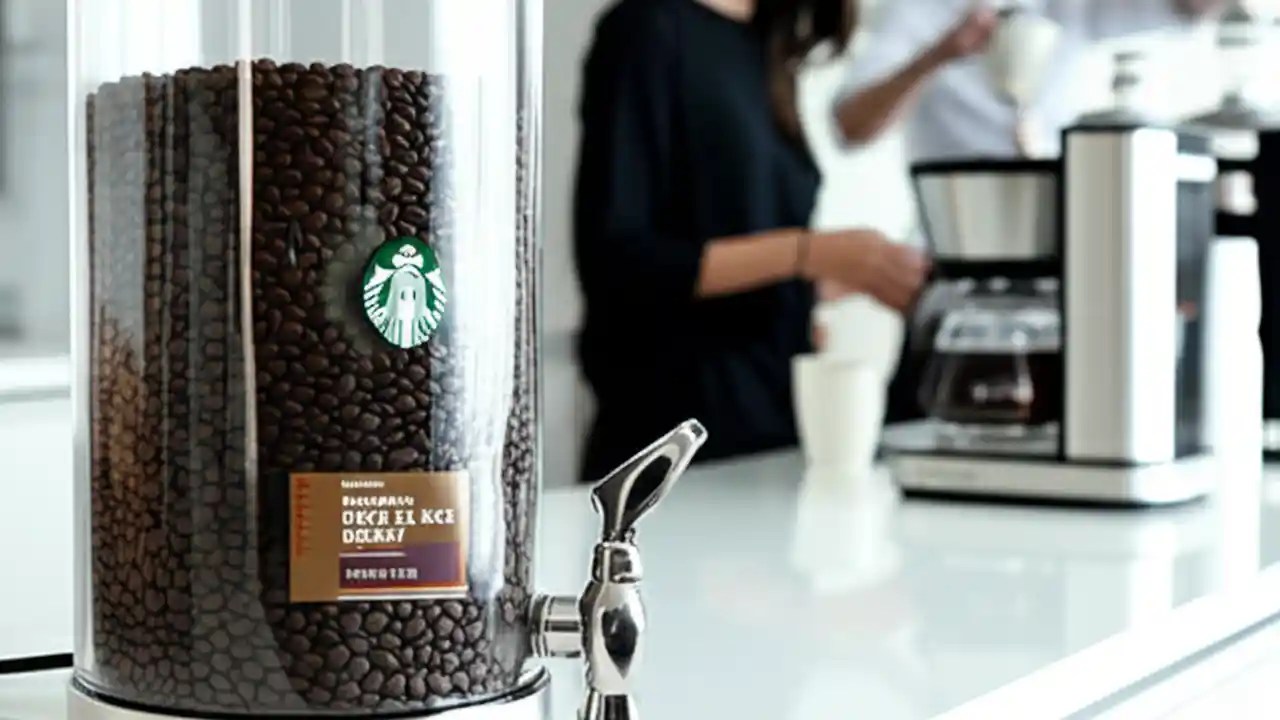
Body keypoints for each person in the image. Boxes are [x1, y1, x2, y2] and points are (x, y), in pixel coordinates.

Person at [572, 0, 932, 482]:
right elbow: (619, 261)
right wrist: (814, 253)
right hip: (675, 454)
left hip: (768, 444)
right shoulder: (646, 31)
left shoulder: (763, 48)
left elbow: (738, 249)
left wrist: (834, 281)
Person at [835, 0, 1225, 161]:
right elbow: (851, 128)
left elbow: (1190, 7)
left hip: (1065, 221)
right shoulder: (917, 10)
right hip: (960, 233)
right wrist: (936, 57)